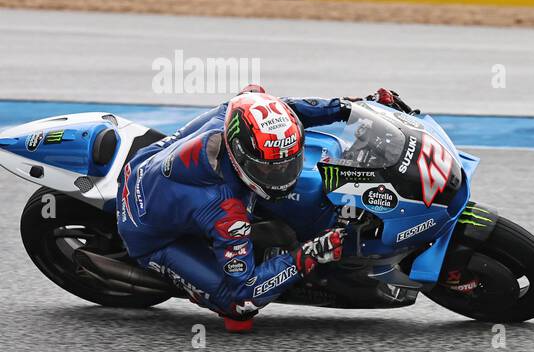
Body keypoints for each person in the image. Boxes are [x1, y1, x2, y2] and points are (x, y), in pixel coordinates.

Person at [116, 85, 415, 332]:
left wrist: (355, 107)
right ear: (240, 157)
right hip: (148, 231)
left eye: (288, 162)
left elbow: (292, 110)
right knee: (238, 309)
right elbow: (244, 288)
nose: (283, 174)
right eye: (271, 168)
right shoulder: (224, 210)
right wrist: (310, 253)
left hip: (153, 162)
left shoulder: (241, 114)